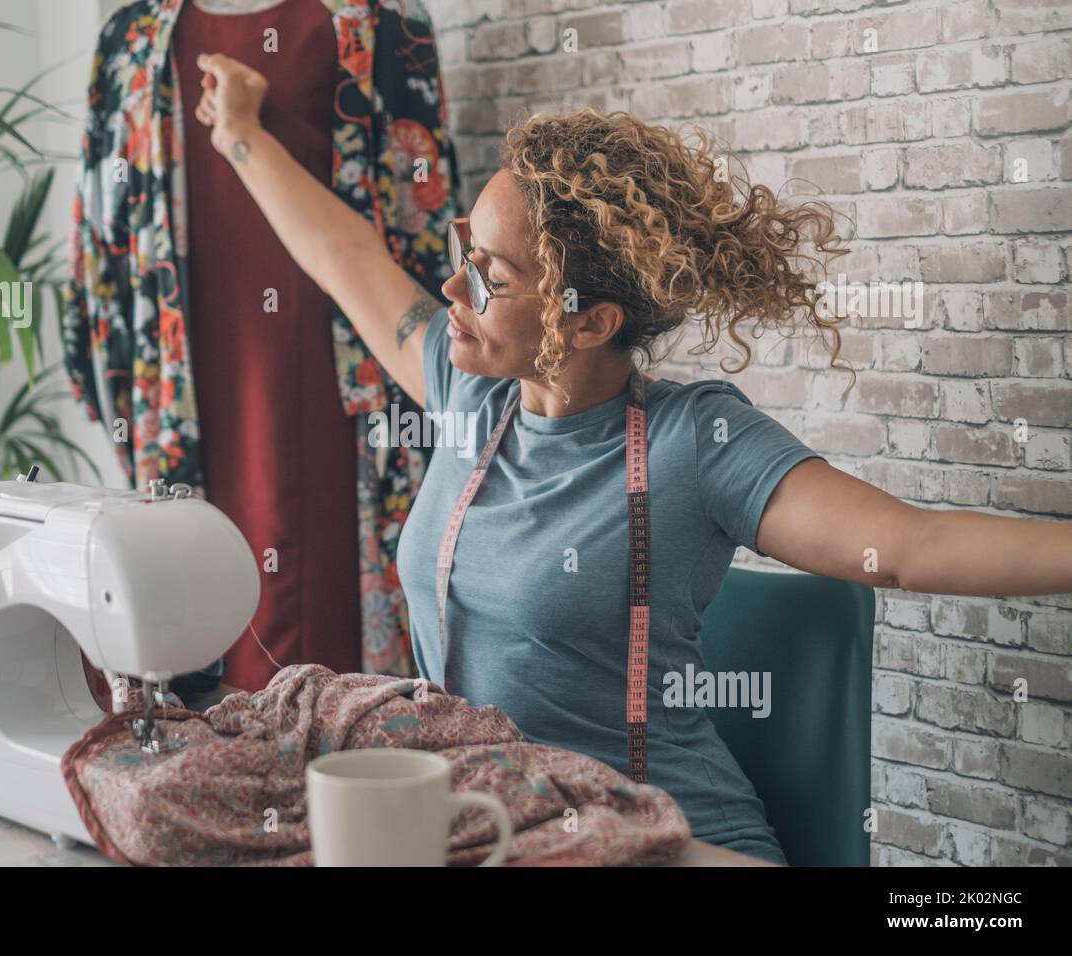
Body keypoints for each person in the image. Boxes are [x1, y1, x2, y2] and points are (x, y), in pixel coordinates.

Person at [191, 52, 1072, 865]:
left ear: (589, 320)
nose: (453, 287)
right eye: (464, 250)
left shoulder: (696, 443)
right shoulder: (468, 399)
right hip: (499, 831)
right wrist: (240, 132)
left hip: (665, 838)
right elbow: (345, 255)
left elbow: (908, 548)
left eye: (491, 274)